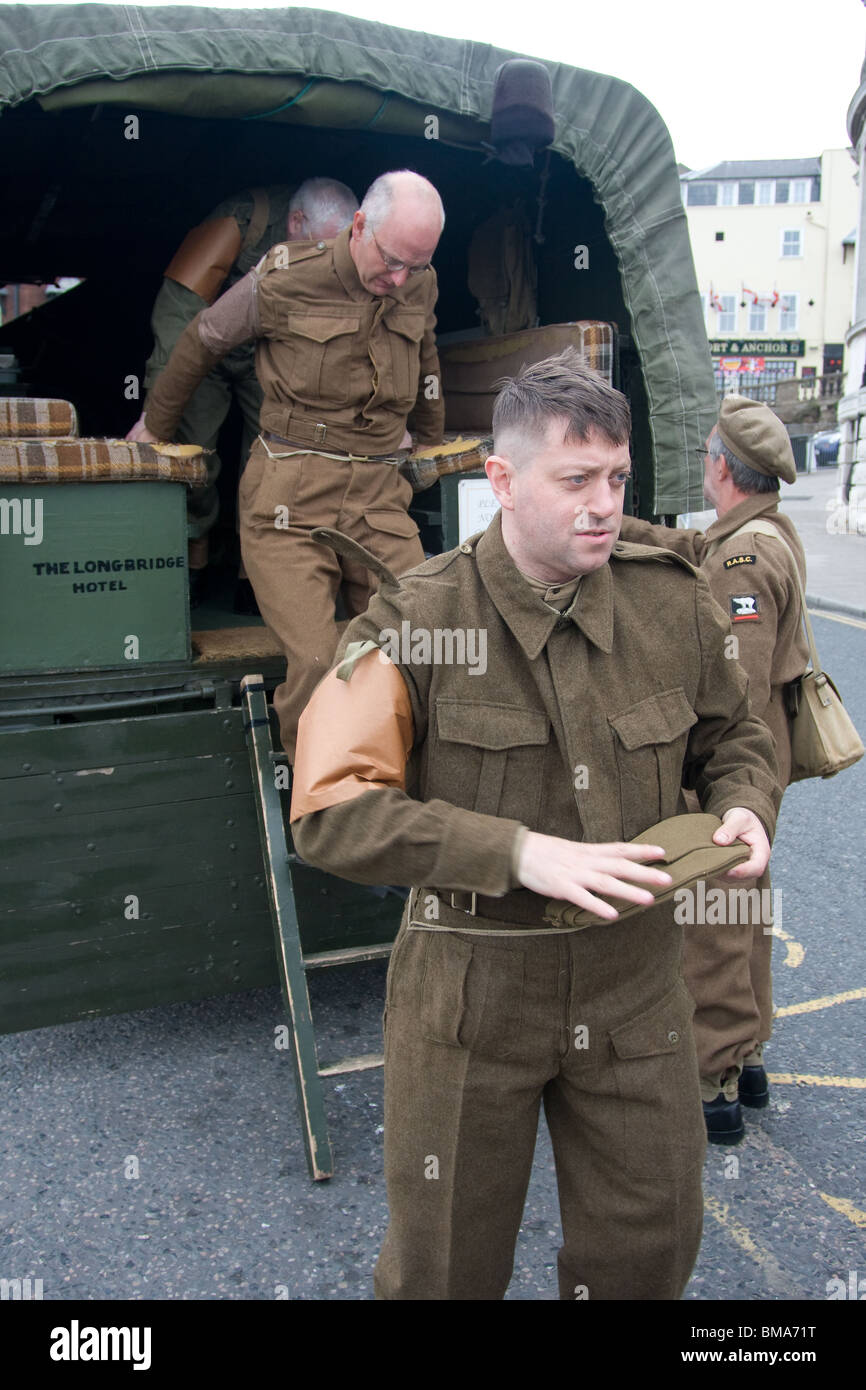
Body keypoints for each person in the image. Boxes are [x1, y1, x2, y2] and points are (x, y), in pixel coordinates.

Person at [288, 350, 780, 1300]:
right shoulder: (415, 622)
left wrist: (744, 806)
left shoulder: (670, 599)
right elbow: (331, 810)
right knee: (445, 1268)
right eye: (575, 480)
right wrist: (515, 851)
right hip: (473, 990)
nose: (604, 506)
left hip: (636, 985)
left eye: (617, 479)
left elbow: (736, 737)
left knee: (649, 1251)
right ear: (503, 481)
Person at [137, 170, 445, 752]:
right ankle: (318, 794)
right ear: (360, 227)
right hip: (291, 500)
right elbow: (203, 337)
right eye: (391, 261)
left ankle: (394, 781)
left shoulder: (417, 282)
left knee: (421, 643)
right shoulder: (284, 277)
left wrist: (427, 437)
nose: (400, 279)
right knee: (317, 662)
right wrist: (155, 424)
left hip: (378, 495)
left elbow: (426, 356)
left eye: (416, 264)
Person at [619, 396, 809, 1142]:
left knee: (714, 917)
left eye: (706, 454)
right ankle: (747, 1054)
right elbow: (689, 545)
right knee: (743, 906)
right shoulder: (758, 532)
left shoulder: (742, 561)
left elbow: (739, 687)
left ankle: (713, 1078)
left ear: (724, 469)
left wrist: (712, 775)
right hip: (766, 746)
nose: (703, 464)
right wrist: (614, 525)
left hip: (739, 754)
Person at [128, 178, 359, 605]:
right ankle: (194, 557)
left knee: (273, 462)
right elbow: (177, 316)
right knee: (194, 456)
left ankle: (254, 576)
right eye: (321, 247)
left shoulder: (346, 250)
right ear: (296, 222)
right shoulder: (241, 221)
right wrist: (154, 416)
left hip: (270, 352)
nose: (328, 260)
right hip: (203, 347)